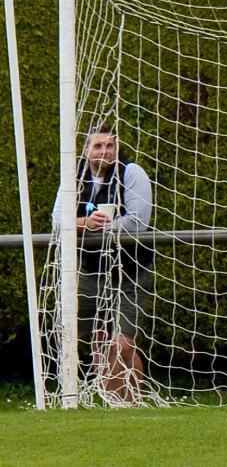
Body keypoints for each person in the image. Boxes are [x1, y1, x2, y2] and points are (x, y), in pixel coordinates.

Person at [51, 123, 154, 405]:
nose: (104, 151)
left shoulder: (131, 173)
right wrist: (84, 223)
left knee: (123, 343)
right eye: (98, 146)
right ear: (86, 150)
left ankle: (131, 403)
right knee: (97, 341)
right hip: (91, 272)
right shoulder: (74, 177)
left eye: (110, 145)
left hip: (130, 272)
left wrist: (104, 228)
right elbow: (57, 221)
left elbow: (139, 222)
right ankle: (112, 402)